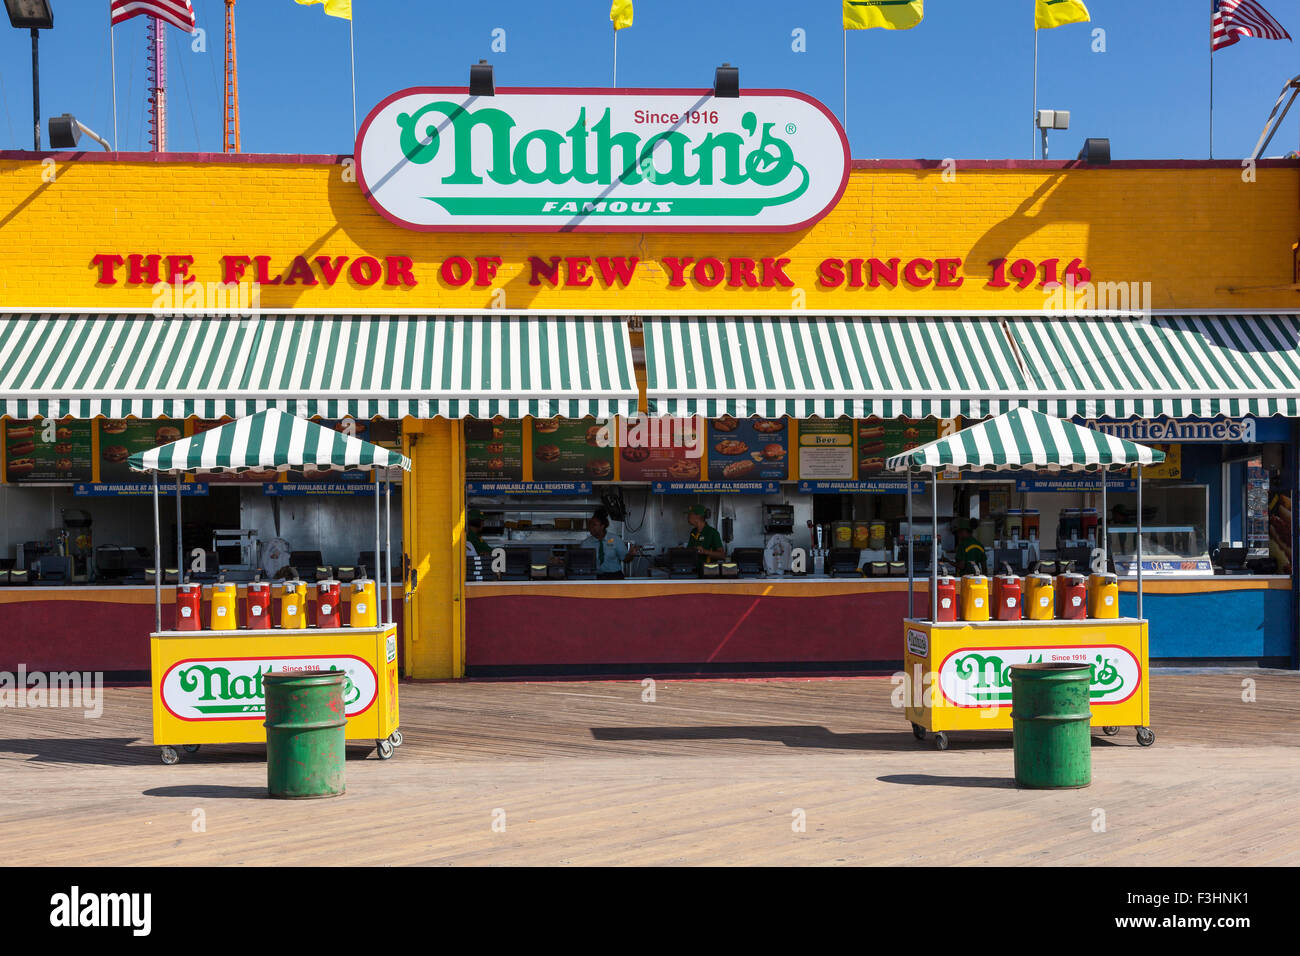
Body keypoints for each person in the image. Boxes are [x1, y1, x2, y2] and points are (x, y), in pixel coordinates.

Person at [586, 507, 634, 580]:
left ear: (602, 526)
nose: (590, 527)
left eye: (594, 525)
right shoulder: (586, 543)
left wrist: (631, 554)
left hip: (615, 577)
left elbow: (625, 559)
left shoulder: (615, 539)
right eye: (590, 524)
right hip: (595, 578)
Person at [686, 504, 725, 569]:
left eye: (690, 514)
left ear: (697, 516)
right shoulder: (693, 532)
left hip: (708, 572)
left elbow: (722, 555)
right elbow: (689, 551)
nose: (687, 517)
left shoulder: (712, 532)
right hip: (693, 570)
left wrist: (704, 551)